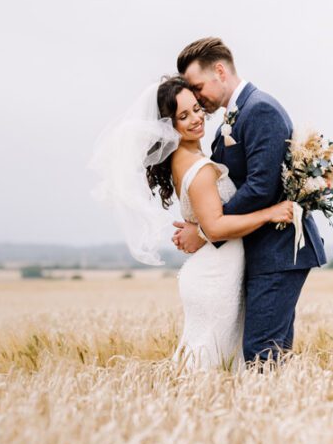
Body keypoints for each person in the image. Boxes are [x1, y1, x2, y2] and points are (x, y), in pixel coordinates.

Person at [89, 76, 292, 371]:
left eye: (196, 109)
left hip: (215, 270)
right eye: (183, 116)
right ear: (167, 127)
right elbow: (216, 228)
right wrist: (270, 213)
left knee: (207, 362)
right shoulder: (200, 167)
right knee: (209, 363)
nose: (196, 118)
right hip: (215, 275)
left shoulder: (184, 157)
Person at [174, 37, 326, 366]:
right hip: (260, 250)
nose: (196, 97)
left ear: (219, 71)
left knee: (260, 354)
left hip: (278, 251)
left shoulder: (260, 110)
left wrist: (206, 229)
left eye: (198, 87)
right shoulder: (233, 118)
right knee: (268, 356)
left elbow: (260, 187)